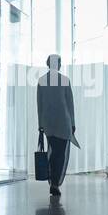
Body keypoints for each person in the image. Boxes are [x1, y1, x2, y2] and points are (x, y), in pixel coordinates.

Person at [36, 54, 76, 198]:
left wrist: (40, 124)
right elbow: (70, 103)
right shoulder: (64, 80)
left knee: (54, 153)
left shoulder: (42, 81)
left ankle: (53, 182)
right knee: (59, 154)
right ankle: (54, 183)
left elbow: (39, 105)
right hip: (63, 122)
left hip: (48, 123)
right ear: (57, 65)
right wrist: (72, 123)